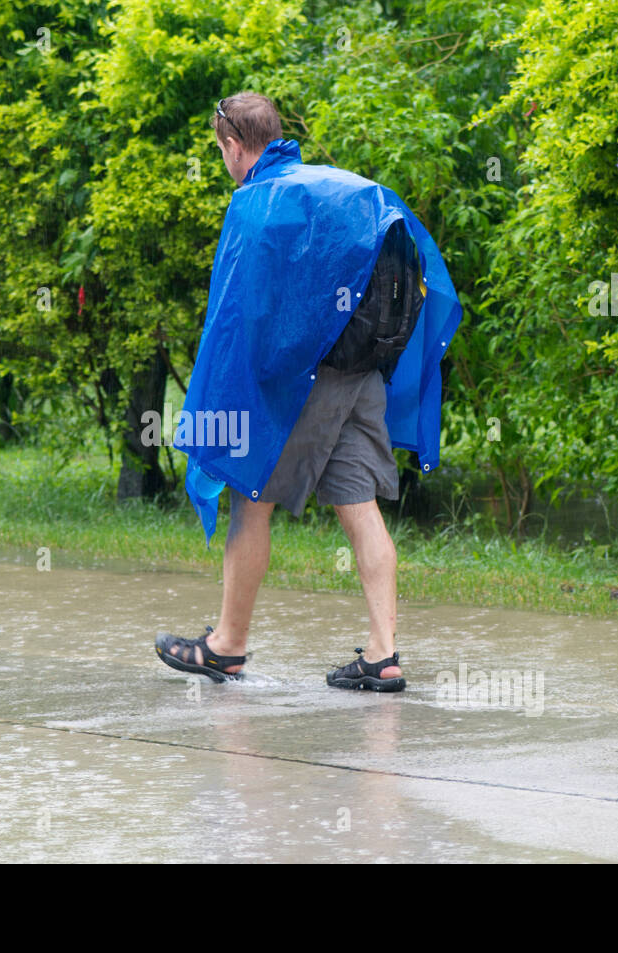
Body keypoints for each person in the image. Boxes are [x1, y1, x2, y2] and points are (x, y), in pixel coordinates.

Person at [154, 92, 461, 692]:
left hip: (302, 386)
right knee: (361, 509)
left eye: (221, 151)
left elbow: (240, 320)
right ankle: (383, 653)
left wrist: (225, 403)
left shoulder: (257, 203)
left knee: (251, 499)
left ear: (233, 146)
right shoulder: (349, 188)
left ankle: (227, 646)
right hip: (364, 371)